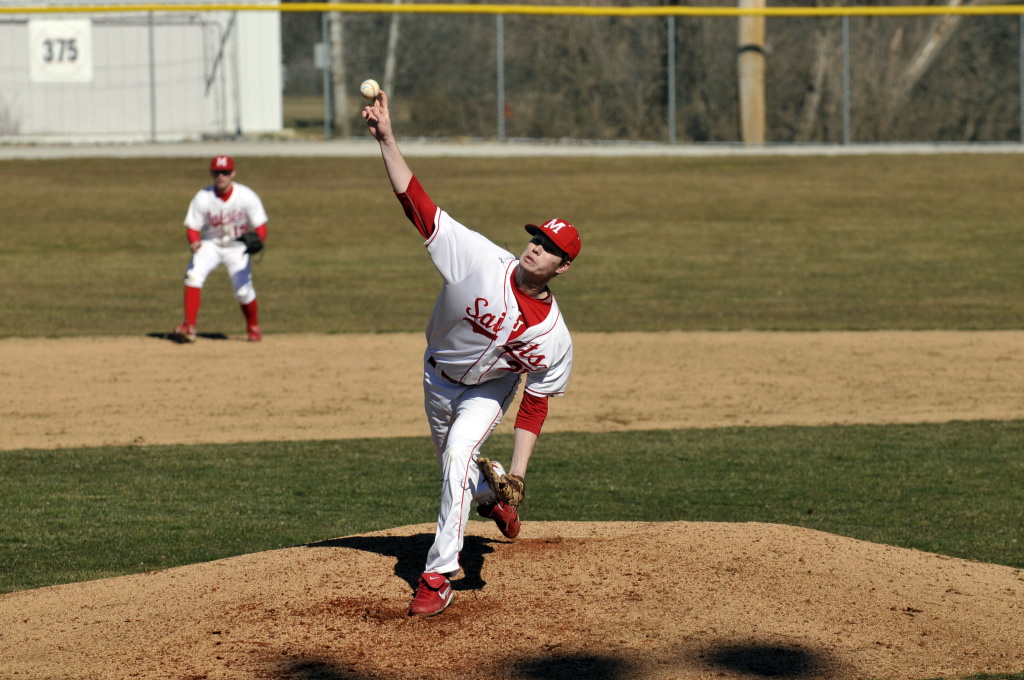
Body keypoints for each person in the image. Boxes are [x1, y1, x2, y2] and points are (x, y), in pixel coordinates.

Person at [362, 91, 582, 617]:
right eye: (536, 237)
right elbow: (417, 204)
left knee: (460, 457)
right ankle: (493, 496)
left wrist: (523, 472)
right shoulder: (479, 259)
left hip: (487, 391)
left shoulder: (553, 337)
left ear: (562, 267)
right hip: (436, 378)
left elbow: (536, 401)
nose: (536, 247)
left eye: (549, 247)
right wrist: (388, 140)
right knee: (454, 473)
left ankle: (438, 575)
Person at [173, 155, 268, 343]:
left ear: (233, 173)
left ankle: (253, 326)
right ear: (212, 173)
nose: (221, 176)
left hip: (238, 247)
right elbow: (192, 227)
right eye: (217, 172)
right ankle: (189, 326)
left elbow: (260, 226)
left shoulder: (246, 196)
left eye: (225, 172)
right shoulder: (203, 197)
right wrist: (193, 241)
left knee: (242, 291)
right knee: (193, 276)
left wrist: (258, 239)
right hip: (211, 244)